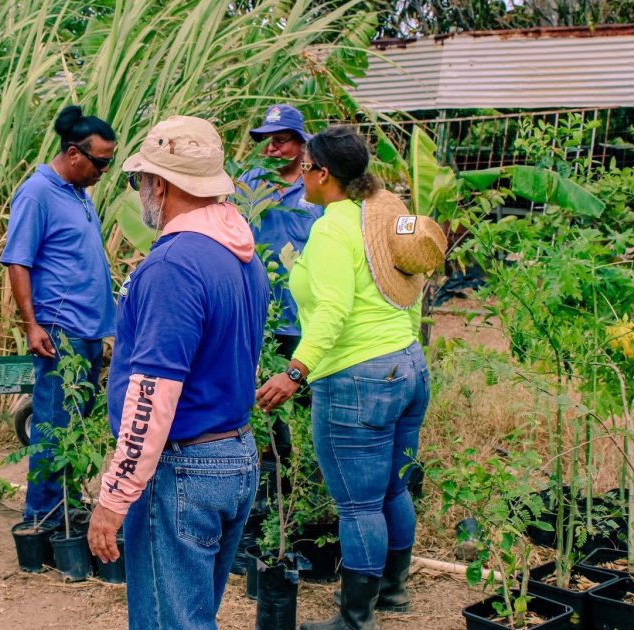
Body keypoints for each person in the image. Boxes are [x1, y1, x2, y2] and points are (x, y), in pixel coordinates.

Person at [255, 126, 445, 630]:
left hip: (358, 378)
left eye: (306, 167)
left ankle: (355, 620)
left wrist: (295, 371)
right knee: (392, 490)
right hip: (406, 364)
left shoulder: (332, 229)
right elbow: (406, 290)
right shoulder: (376, 215)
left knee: (359, 504)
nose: (300, 175)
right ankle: (394, 592)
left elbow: (334, 310)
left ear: (320, 174)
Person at [87, 115, 269, 629]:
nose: (140, 190)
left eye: (140, 179)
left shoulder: (173, 266)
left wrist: (115, 495)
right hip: (234, 453)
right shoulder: (242, 257)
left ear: (160, 185)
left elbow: (153, 394)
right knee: (192, 618)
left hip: (184, 467)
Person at [0, 104, 117, 524]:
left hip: (86, 329)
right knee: (53, 424)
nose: (105, 170)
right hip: (58, 330)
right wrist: (32, 325)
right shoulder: (37, 193)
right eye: (100, 161)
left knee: (76, 427)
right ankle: (43, 518)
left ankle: (65, 506)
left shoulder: (78, 193)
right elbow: (18, 261)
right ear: (73, 153)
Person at [237, 104, 324, 464]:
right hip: (265, 311)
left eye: (281, 141)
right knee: (269, 397)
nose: (272, 149)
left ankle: (318, 473)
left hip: (308, 311)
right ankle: (278, 470)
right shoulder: (252, 181)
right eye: (267, 141)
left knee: (314, 398)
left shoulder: (317, 185)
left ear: (302, 144)